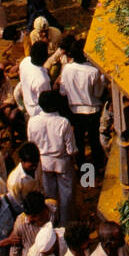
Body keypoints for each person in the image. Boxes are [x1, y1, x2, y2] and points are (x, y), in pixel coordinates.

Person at [27, 91, 76, 225]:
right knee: (66, 196)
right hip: (62, 162)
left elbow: (31, 144)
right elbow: (71, 149)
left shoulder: (32, 122)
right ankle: (65, 224)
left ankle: (51, 222)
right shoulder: (63, 123)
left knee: (49, 196)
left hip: (42, 163)